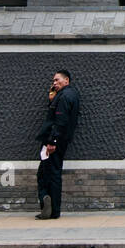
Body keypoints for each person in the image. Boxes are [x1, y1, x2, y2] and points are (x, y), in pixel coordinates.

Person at [36, 69, 80, 220]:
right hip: (61, 140)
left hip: (54, 142)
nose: (54, 83)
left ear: (66, 80)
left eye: (57, 80)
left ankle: (49, 205)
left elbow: (60, 121)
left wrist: (52, 141)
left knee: (46, 174)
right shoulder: (70, 95)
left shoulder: (64, 96)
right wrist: (51, 100)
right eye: (53, 81)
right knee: (52, 173)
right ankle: (52, 208)